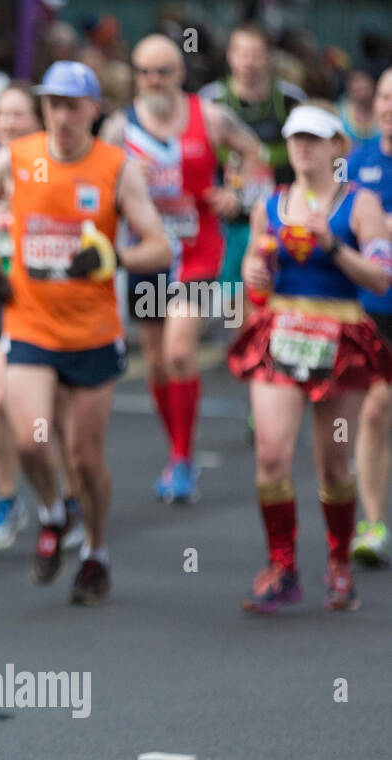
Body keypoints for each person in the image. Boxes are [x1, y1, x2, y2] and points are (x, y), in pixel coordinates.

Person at [0, 61, 171, 605]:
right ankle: (53, 515)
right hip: (29, 324)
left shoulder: (116, 167)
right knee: (29, 438)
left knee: (84, 458)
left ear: (93, 110)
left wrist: (113, 255)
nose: (60, 116)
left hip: (93, 332)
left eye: (72, 105)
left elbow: (160, 246)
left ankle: (97, 552)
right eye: (52, 104)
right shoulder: (17, 158)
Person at [228, 105, 392, 612]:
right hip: (282, 332)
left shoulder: (359, 205)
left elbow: (381, 277)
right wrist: (255, 276)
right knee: (272, 455)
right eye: (296, 139)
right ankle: (282, 567)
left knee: (334, 464)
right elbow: (256, 270)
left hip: (339, 338)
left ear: (335, 146)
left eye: (314, 140)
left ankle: (339, 563)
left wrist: (333, 247)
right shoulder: (270, 205)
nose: (303, 148)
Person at [100, 34, 261, 503]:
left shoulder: (207, 117)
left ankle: (184, 458)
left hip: (197, 255)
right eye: (145, 71)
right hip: (147, 254)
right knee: (154, 361)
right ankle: (176, 452)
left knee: (178, 353)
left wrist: (235, 190)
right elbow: (99, 178)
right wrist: (125, 181)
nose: (153, 80)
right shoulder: (118, 127)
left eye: (163, 71)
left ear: (180, 74)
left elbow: (251, 151)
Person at [0, 84, 85, 551]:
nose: (8, 123)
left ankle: (69, 500)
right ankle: (7, 498)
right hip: (4, 297)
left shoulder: (53, 165)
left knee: (56, 411)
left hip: (53, 300)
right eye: (1, 114)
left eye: (18, 115)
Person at [199, 24, 305, 296]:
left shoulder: (291, 99)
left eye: (256, 54)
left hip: (278, 218)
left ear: (269, 56)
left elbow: (315, 152)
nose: (248, 61)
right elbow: (198, 154)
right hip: (227, 221)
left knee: (272, 295)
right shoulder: (210, 100)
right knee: (228, 303)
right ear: (230, 56)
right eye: (242, 53)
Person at [350, 67, 392, 567]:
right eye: (383, 96)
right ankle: (373, 524)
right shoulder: (355, 166)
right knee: (375, 409)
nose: (388, 106)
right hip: (375, 312)